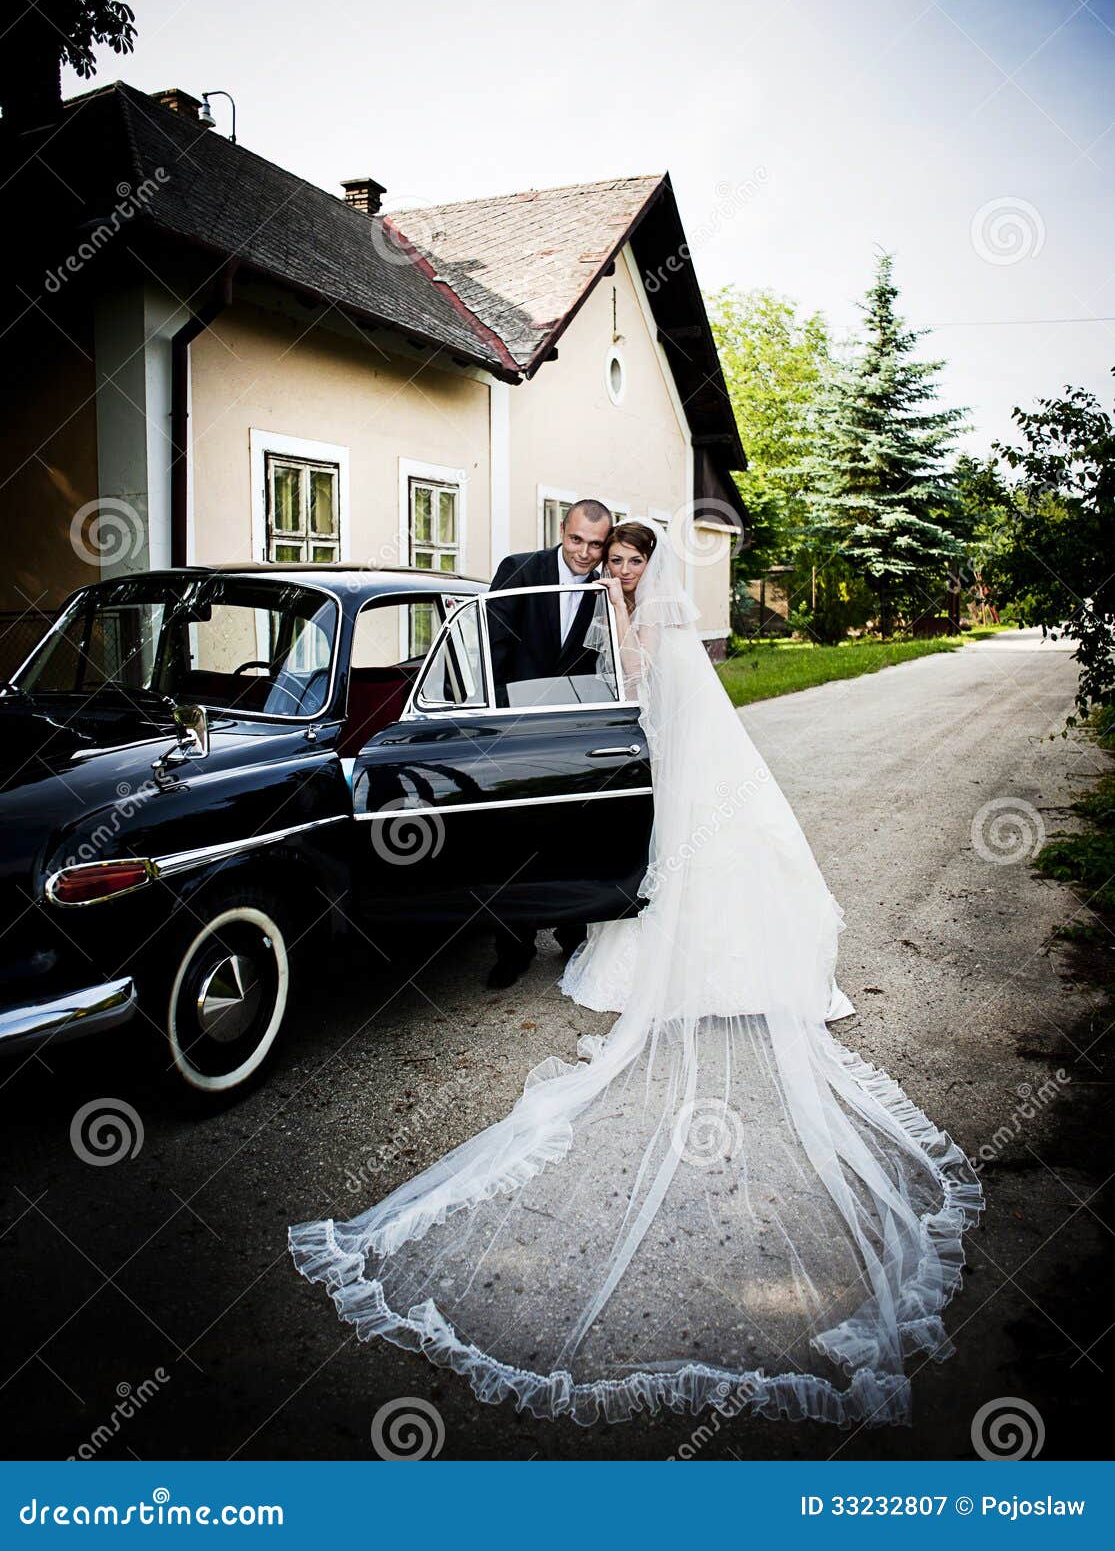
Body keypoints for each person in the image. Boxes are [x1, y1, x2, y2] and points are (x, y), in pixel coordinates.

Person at [289, 517, 983, 1429]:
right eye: (601, 552)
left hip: (660, 747)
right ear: (577, 545)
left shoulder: (644, 615)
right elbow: (513, 651)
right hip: (578, 738)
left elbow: (644, 684)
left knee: (672, 853)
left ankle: (619, 930)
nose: (608, 565)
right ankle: (527, 929)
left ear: (644, 566)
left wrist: (621, 633)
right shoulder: (532, 580)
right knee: (612, 846)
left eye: (622, 557)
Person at [484, 497, 613, 990]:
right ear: (562, 529)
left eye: (595, 544)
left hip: (576, 730)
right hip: (516, 729)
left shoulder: (607, 587)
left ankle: (573, 933)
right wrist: (495, 724)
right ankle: (512, 948)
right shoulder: (519, 570)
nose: (584, 553)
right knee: (512, 840)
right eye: (577, 539)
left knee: (574, 834)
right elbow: (493, 649)